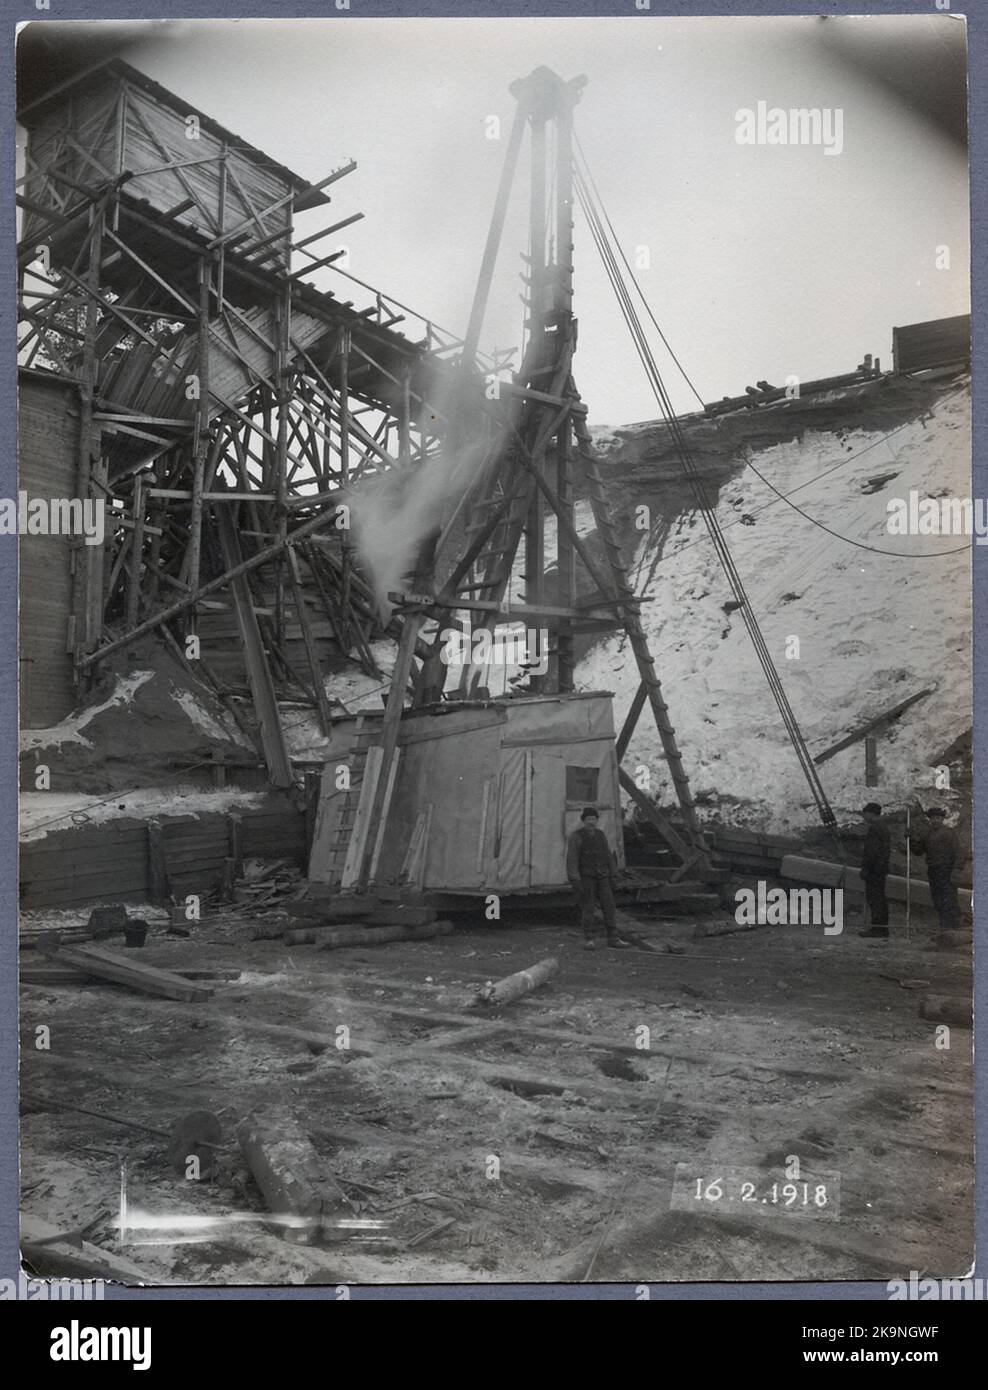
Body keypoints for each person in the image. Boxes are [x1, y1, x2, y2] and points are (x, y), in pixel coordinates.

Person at [566, 807, 629, 950]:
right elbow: (572, 859)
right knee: (588, 909)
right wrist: (575, 880)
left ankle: (613, 938)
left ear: (597, 820)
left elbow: (607, 855)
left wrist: (613, 873)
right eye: (588, 819)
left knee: (609, 907)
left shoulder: (601, 835)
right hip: (587, 878)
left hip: (603, 877)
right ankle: (589, 939)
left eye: (594, 819)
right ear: (583, 820)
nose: (591, 822)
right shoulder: (576, 837)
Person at [910, 806, 960, 935]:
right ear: (930, 819)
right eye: (933, 818)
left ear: (942, 819)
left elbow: (958, 853)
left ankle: (952, 927)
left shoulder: (949, 833)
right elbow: (918, 851)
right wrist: (911, 839)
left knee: (948, 898)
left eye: (938, 818)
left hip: (946, 870)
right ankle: (944, 926)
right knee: (937, 898)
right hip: (933, 869)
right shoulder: (927, 834)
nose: (935, 820)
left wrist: (955, 870)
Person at [858, 802, 891, 938]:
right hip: (880, 869)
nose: (864, 817)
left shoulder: (875, 828)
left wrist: (866, 868)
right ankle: (881, 928)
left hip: (875, 870)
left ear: (870, 813)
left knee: (875, 899)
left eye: (865, 813)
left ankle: (878, 929)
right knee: (879, 898)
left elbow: (872, 852)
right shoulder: (883, 827)